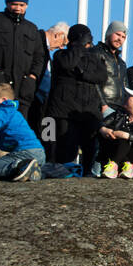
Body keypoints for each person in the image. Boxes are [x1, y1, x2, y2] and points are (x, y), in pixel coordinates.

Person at [46, 24, 109, 169]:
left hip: (86, 112)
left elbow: (101, 77)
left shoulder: (94, 59)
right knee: (65, 153)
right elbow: (68, 64)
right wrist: (78, 46)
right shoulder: (60, 55)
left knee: (90, 152)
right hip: (63, 112)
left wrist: (82, 74)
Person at [30, 21, 70, 148]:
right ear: (58, 35)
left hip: (45, 106)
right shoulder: (36, 40)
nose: (61, 48)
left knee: (48, 139)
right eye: (63, 43)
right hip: (32, 101)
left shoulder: (47, 54)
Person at [90, 21, 128, 118]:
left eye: (123, 37)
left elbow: (126, 87)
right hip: (101, 107)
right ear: (109, 33)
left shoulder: (122, 63)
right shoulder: (96, 52)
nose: (120, 39)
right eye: (117, 34)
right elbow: (92, 81)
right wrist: (103, 104)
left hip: (119, 110)